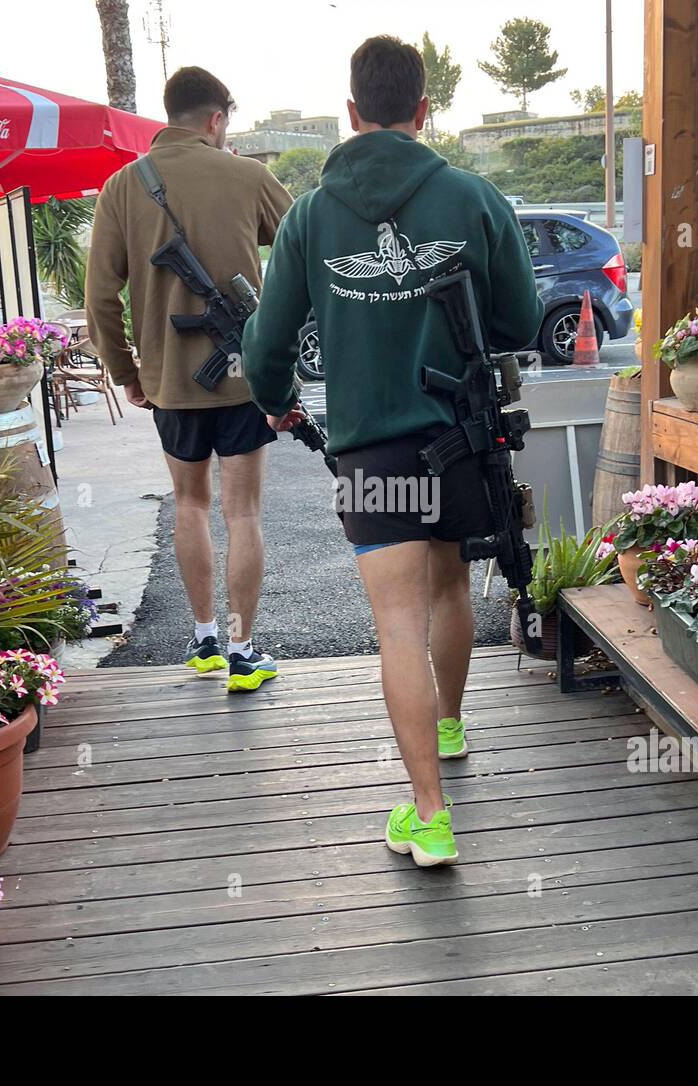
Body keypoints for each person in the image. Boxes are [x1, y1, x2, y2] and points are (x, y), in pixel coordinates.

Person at [241, 36, 543, 866]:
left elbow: (268, 341)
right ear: (423, 111)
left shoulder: (307, 214)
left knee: (397, 623)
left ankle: (428, 816)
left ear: (350, 112)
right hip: (464, 440)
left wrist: (275, 403)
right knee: (449, 586)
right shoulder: (475, 196)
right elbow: (519, 323)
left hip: (372, 450)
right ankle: (449, 724)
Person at [86, 67, 293, 692]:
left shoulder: (122, 187)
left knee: (190, 504)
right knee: (244, 511)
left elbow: (100, 298)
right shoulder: (248, 175)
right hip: (243, 378)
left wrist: (128, 372)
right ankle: (241, 647)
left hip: (169, 382)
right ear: (217, 119)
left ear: (168, 113)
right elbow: (302, 254)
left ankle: (203, 638)